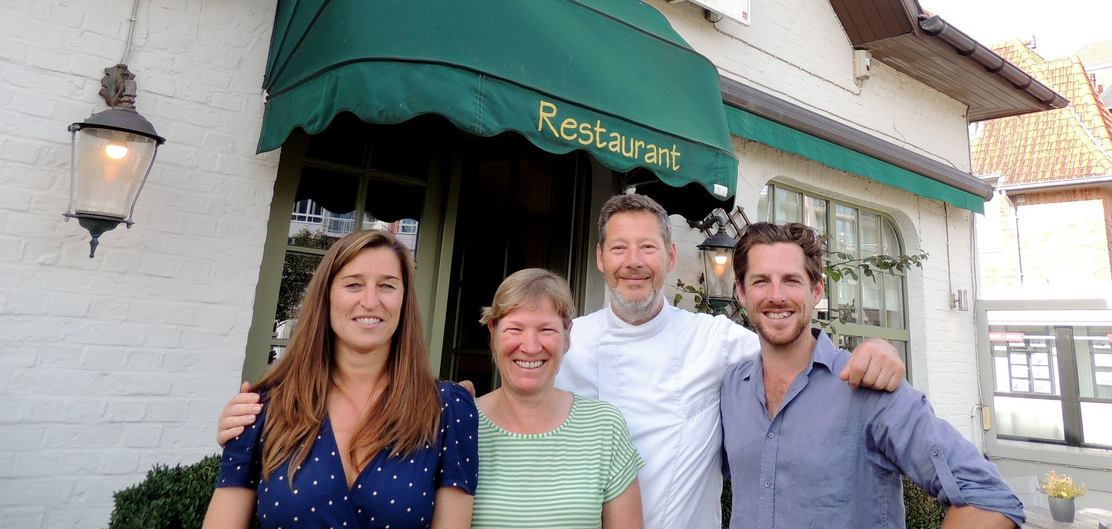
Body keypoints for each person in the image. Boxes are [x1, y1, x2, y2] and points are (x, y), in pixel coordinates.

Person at [218, 193, 904, 529]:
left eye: (648, 248)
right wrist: (451, 400)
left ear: (671, 259)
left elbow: (793, 341)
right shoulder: (562, 343)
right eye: (619, 248)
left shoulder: (715, 342)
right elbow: (504, 400)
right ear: (601, 259)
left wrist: (868, 351)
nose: (634, 262)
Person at [720, 222, 1025, 529]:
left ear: (816, 291)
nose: (776, 295)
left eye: (791, 280)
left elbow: (990, 498)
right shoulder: (731, 390)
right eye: (761, 281)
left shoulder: (868, 388)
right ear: (741, 293)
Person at [202, 229, 477, 529]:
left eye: (387, 285)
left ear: (404, 300)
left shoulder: (448, 409)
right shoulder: (262, 409)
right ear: (327, 295)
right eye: (353, 284)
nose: (370, 301)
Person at [473, 268, 643, 528]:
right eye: (515, 329)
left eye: (546, 330)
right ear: (493, 334)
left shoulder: (604, 428)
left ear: (567, 336)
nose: (530, 347)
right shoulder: (460, 425)